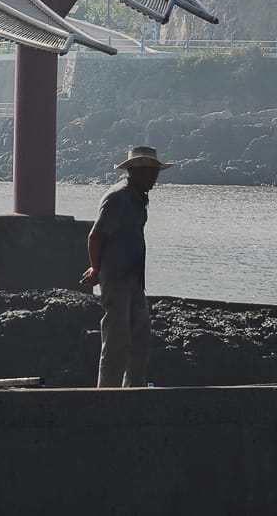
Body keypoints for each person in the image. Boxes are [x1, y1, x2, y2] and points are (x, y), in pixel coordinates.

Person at [80, 144, 169, 387]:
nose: (154, 178)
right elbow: (95, 236)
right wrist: (96, 269)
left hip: (135, 281)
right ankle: (107, 396)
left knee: (141, 340)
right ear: (135, 171)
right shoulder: (118, 198)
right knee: (117, 342)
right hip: (117, 281)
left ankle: (134, 391)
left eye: (155, 172)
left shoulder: (139, 197)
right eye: (149, 172)